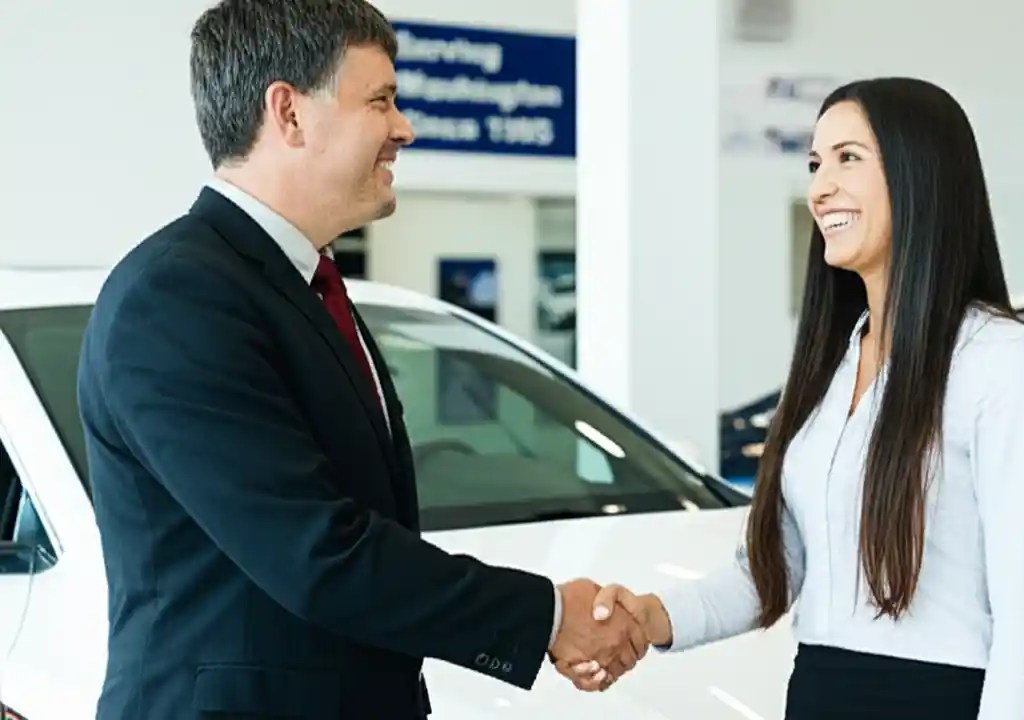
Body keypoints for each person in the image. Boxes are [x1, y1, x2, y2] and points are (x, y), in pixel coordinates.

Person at [75, 2, 642, 718]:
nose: (403, 127)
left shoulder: (300, 287)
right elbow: (316, 551)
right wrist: (548, 616)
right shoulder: (177, 296)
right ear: (288, 113)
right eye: (381, 100)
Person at [564, 77, 1024, 719]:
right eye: (814, 163)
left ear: (923, 175)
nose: (819, 187)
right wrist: (650, 617)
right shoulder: (835, 362)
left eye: (848, 158)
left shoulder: (1003, 364)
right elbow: (771, 572)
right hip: (820, 694)